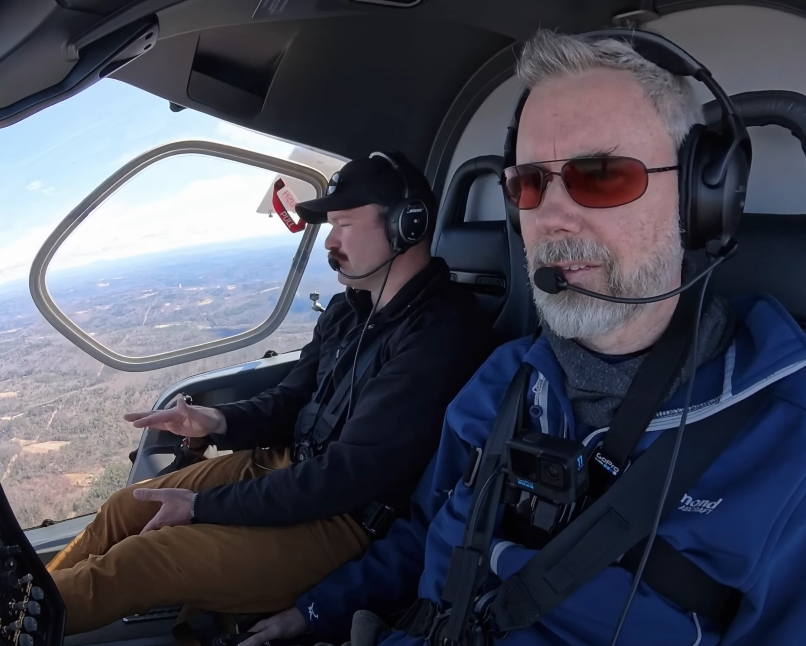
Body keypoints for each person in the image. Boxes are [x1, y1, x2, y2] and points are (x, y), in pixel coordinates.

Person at [243, 29, 806, 646]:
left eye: (602, 176)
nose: (553, 217)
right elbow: (427, 529)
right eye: (530, 184)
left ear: (701, 198)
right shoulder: (503, 382)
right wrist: (318, 611)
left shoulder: (785, 438)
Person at [45, 152, 497, 635]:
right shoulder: (350, 310)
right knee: (126, 506)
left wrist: (200, 508)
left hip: (342, 519)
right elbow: (290, 399)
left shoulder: (440, 335)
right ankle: (23, 592)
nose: (331, 240)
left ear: (408, 226)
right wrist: (215, 422)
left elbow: (346, 477)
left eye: (343, 222)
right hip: (291, 469)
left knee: (142, 559)